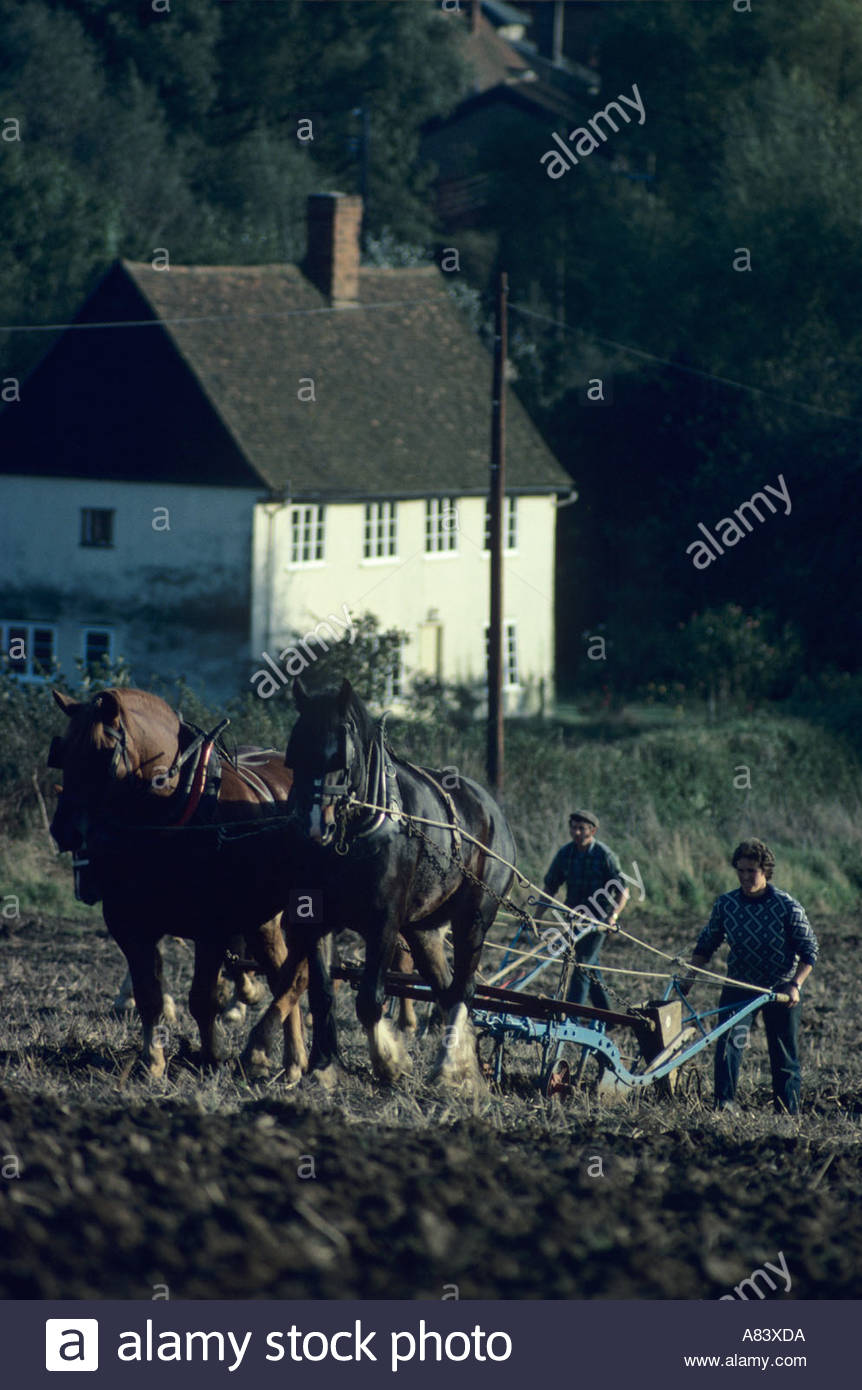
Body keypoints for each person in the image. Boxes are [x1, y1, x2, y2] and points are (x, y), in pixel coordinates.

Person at [683, 838, 818, 1114]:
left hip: (780, 987)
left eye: (751, 871)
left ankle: (787, 1111)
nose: (745, 877)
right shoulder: (726, 904)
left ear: (765, 871)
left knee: (782, 1052)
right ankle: (725, 1104)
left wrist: (796, 985)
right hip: (740, 984)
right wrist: (689, 976)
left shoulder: (786, 905)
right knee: (730, 1043)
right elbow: (707, 942)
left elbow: (810, 950)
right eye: (740, 871)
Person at [535, 810, 629, 1010]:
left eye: (581, 828)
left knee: (581, 964)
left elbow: (623, 891)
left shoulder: (605, 855)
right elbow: (551, 886)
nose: (576, 832)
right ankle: (607, 1015)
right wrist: (537, 916)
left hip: (598, 919)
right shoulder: (565, 854)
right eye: (573, 827)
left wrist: (612, 917)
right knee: (589, 965)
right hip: (573, 917)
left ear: (592, 831)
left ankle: (571, 1016)